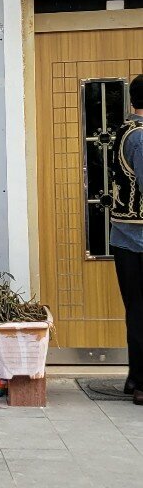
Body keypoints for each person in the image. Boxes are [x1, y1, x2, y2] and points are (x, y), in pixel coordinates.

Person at [111, 74, 143, 406]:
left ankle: (136, 376)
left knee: (135, 309)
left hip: (122, 235)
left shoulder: (124, 131)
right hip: (139, 237)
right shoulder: (142, 138)